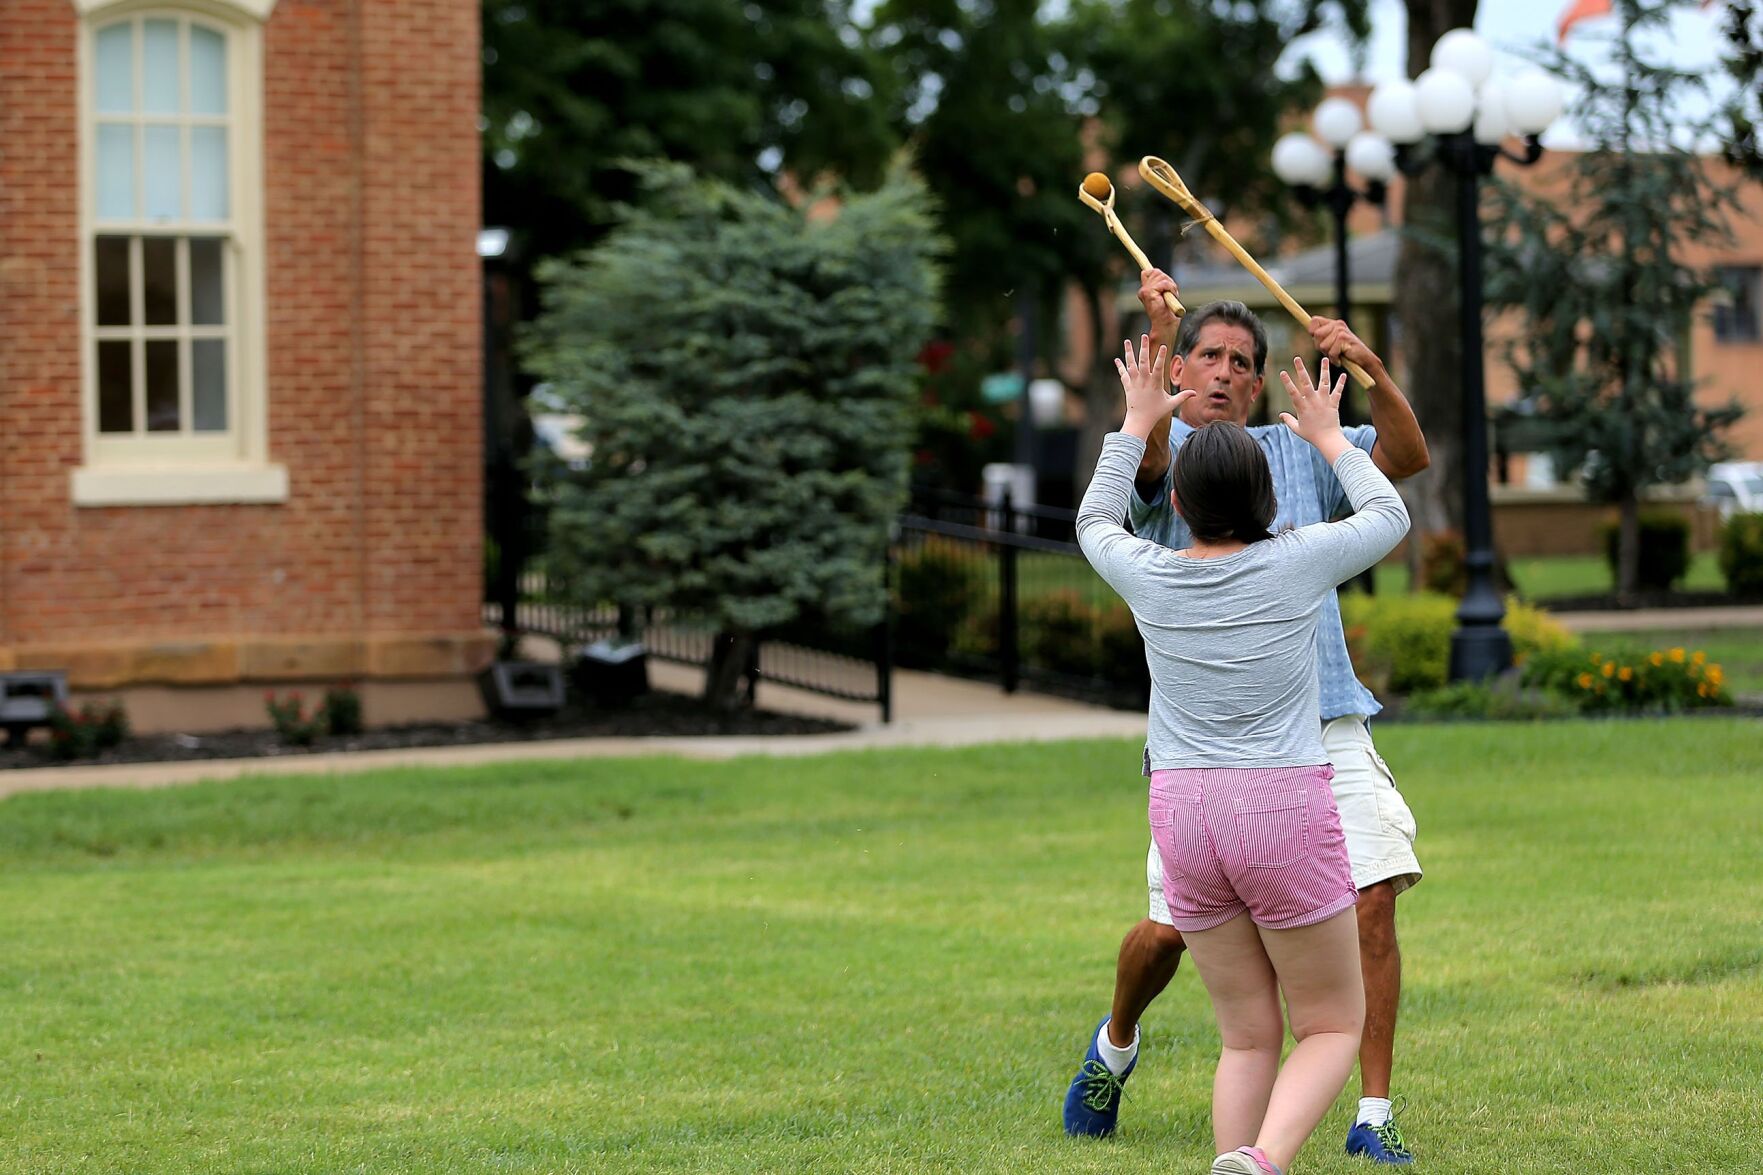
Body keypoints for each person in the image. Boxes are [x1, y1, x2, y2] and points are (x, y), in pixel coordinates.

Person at [1063, 272, 1430, 1165]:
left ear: (1261, 382)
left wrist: (1370, 371)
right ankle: (1119, 1044)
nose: (1225, 372)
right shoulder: (1250, 509)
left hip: (1269, 752)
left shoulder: (1250, 473)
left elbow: (1097, 513)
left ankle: (1368, 1117)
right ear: (1182, 371)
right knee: (1174, 942)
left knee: (1361, 909)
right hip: (1269, 782)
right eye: (1208, 357)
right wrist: (1162, 382)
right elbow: (1390, 504)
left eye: (1241, 361)